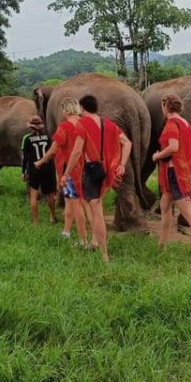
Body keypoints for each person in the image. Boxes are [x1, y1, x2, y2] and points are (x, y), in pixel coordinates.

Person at [61, 95, 131, 261]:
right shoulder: (108, 123)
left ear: (83, 108)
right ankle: (94, 242)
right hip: (106, 169)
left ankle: (104, 254)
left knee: (97, 213)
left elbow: (77, 151)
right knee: (91, 204)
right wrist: (121, 164)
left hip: (91, 170)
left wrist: (66, 173)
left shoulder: (82, 124)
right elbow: (127, 143)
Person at [152, 94, 191, 263]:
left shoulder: (172, 124)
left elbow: (173, 147)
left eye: (162, 105)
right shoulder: (185, 124)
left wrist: (157, 156)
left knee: (187, 211)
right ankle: (161, 246)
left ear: (166, 106)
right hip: (183, 172)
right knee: (165, 205)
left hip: (175, 173)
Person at [35, 98, 88, 245]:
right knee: (69, 202)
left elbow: (53, 149)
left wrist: (40, 161)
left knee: (76, 204)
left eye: (62, 109)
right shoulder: (84, 123)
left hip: (70, 170)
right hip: (83, 167)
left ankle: (83, 240)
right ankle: (66, 231)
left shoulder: (64, 126)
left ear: (65, 109)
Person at [21, 115, 58, 225]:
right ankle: (52, 217)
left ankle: (35, 221)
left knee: (33, 195)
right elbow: (52, 153)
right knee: (49, 194)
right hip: (47, 167)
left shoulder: (26, 139)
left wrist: (23, 172)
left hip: (34, 168)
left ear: (31, 127)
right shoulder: (47, 137)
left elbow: (25, 157)